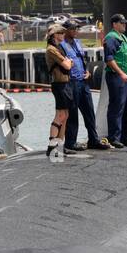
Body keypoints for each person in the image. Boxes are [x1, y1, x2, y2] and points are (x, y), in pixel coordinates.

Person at [62, 19, 107, 151]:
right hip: (72, 82)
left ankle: (93, 139)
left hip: (83, 81)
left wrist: (87, 70)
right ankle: (71, 142)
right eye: (72, 29)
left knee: (89, 113)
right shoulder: (62, 45)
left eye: (76, 28)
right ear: (65, 30)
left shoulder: (77, 42)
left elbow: (83, 59)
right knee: (73, 114)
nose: (75, 31)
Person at [44, 23, 74, 160]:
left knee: (65, 115)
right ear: (54, 35)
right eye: (60, 33)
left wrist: (69, 62)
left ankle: (59, 145)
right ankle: (52, 145)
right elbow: (67, 64)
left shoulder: (58, 48)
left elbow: (68, 63)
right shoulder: (51, 49)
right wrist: (69, 62)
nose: (63, 35)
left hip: (65, 84)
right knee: (60, 116)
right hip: (59, 85)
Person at [103, 14, 127, 148]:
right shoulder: (111, 38)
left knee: (125, 107)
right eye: (121, 23)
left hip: (125, 76)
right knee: (116, 107)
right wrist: (121, 73)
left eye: (125, 23)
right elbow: (109, 59)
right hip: (116, 76)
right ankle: (114, 137)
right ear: (114, 24)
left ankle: (125, 137)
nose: (124, 25)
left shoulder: (123, 37)